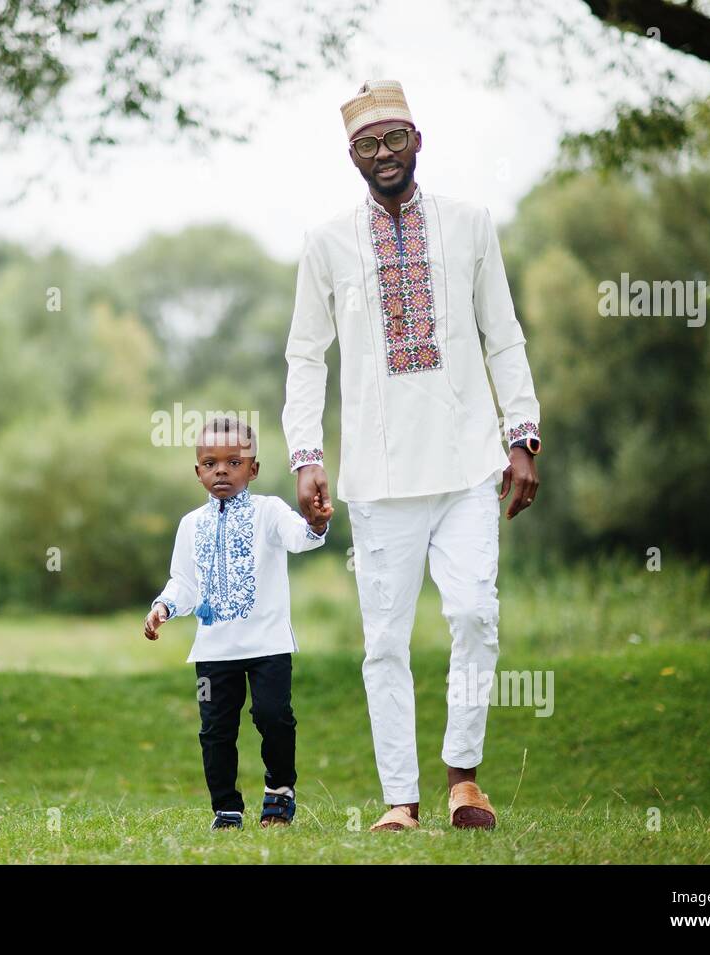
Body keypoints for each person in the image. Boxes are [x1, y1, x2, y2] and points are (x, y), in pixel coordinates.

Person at [281, 79, 543, 832]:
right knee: (385, 641)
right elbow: (306, 355)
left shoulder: (470, 225)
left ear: (418, 141)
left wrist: (520, 435)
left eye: (394, 138)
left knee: (473, 614)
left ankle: (465, 779)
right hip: (379, 475)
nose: (383, 154)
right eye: (367, 144)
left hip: (467, 465)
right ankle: (401, 798)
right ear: (351, 156)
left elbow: (504, 334)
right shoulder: (326, 242)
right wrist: (308, 454)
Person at [145, 415, 333, 830]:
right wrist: (164, 607)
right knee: (215, 731)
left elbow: (300, 538)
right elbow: (184, 582)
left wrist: (317, 523)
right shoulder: (191, 524)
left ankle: (280, 792)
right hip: (213, 652)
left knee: (273, 717)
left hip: (268, 646)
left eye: (233, 462)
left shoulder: (269, 512)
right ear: (198, 473)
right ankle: (226, 808)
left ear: (254, 468)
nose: (221, 471)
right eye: (210, 463)